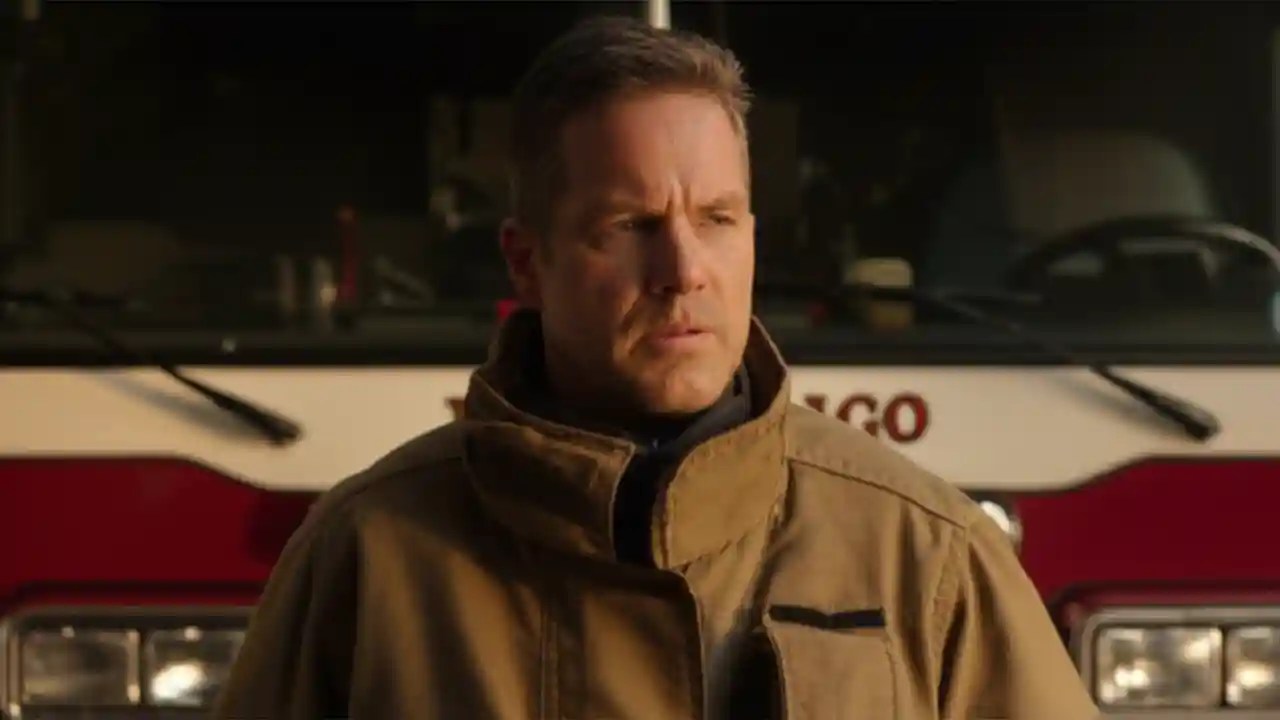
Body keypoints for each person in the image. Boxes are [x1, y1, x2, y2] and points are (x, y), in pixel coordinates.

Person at [215, 17, 1099, 720]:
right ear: (527, 262)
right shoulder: (369, 560)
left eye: (718, 218)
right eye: (630, 227)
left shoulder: (928, 555)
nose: (684, 271)